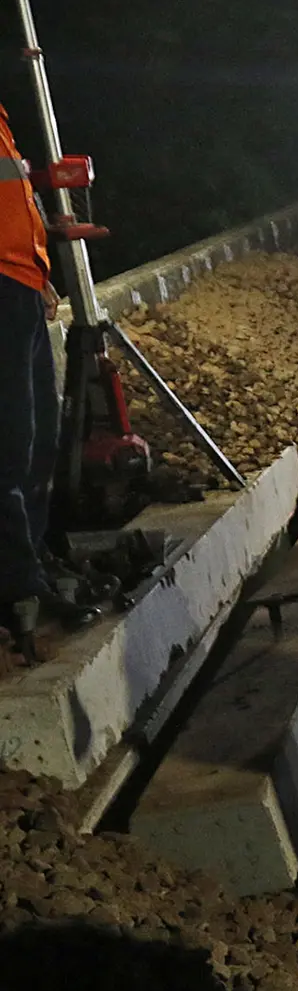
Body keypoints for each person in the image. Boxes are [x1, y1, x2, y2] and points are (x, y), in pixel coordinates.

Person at [0, 101, 62, 651]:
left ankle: (31, 563)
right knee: (10, 445)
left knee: (42, 435)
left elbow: (14, 203)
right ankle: (17, 587)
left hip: (20, 282)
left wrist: (39, 273)